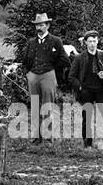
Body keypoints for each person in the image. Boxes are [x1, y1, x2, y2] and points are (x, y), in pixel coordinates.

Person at [19, 12, 69, 143]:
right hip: (33, 76)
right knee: (35, 105)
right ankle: (36, 136)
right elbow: (25, 60)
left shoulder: (56, 41)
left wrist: (52, 70)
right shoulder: (31, 42)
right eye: (37, 25)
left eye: (41, 25)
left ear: (47, 25)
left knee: (47, 106)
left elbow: (64, 60)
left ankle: (48, 136)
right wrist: (28, 73)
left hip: (48, 75)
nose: (39, 28)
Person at [68, 30, 103, 148]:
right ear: (85, 43)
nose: (92, 44)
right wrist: (80, 87)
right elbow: (71, 77)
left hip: (101, 90)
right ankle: (87, 144)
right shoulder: (79, 58)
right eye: (90, 41)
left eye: (94, 41)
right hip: (86, 91)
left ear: (97, 42)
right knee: (87, 118)